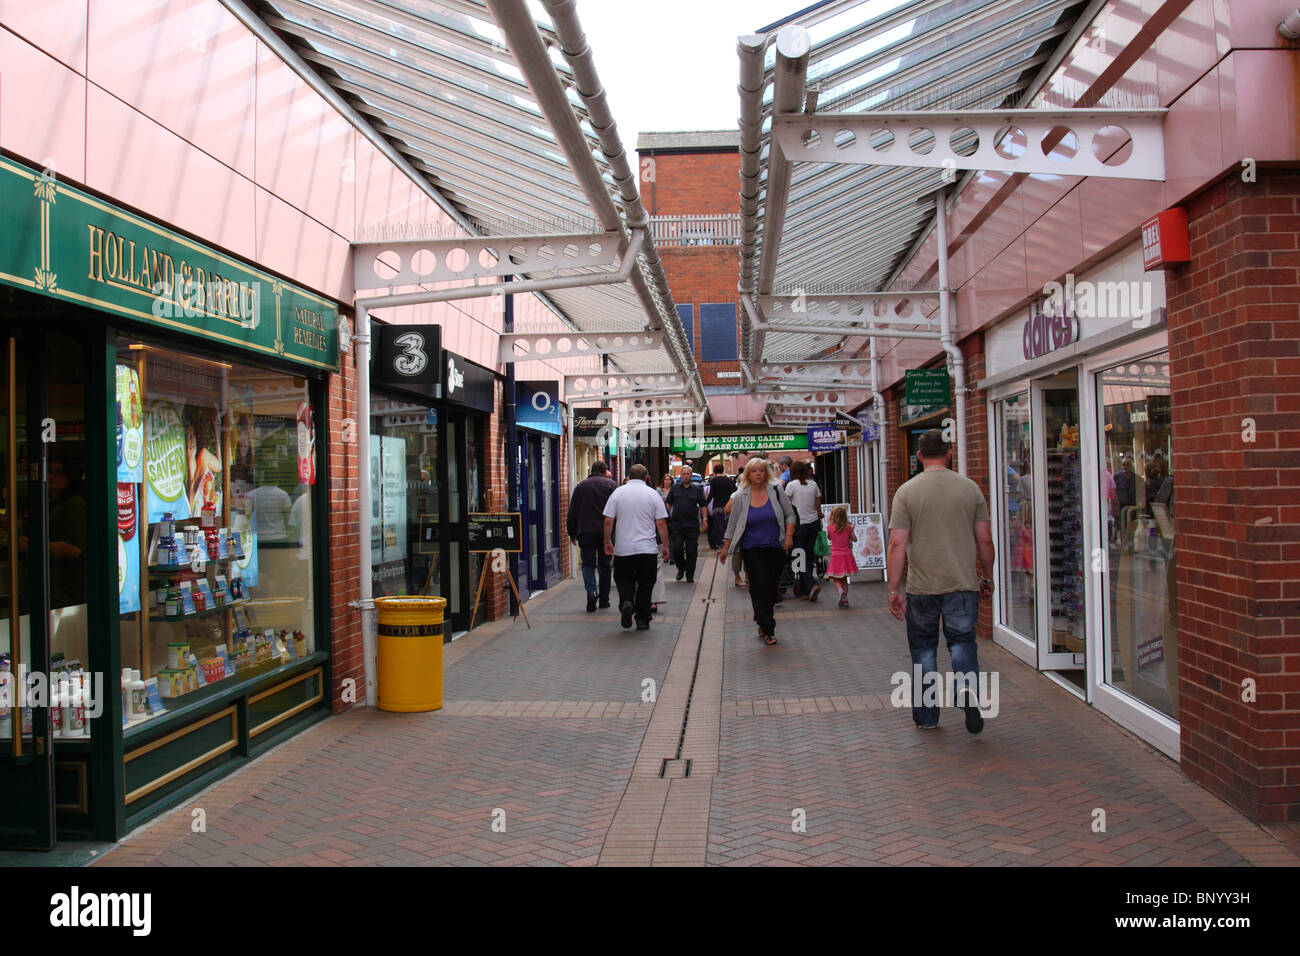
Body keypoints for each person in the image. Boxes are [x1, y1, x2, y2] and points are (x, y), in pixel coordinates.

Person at [887, 429, 995, 734]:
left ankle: (927, 716)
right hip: (962, 583)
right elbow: (985, 540)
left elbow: (897, 544)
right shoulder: (970, 489)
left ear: (919, 456)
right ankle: (966, 688)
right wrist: (987, 576)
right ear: (949, 453)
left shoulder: (906, 492)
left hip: (922, 586)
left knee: (923, 649)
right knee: (962, 641)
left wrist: (894, 589)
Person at [719, 458, 795, 646]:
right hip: (751, 548)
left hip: (775, 546)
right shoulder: (741, 496)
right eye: (754, 471)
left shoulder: (776, 491)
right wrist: (726, 547)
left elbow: (790, 514)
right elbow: (733, 523)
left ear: (766, 473)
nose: (758, 474)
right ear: (748, 475)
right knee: (760, 584)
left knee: (769, 587)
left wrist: (789, 537)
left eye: (761, 470)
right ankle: (768, 628)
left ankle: (762, 618)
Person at [603, 464, 669, 631]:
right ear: (646, 476)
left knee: (624, 579)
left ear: (629, 475)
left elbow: (608, 520)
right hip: (647, 549)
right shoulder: (653, 494)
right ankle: (642, 618)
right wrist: (666, 545)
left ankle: (627, 602)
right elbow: (661, 522)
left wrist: (607, 542)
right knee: (646, 584)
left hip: (623, 549)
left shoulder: (618, 493)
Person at [567, 460, 617, 612]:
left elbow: (573, 511)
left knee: (588, 565)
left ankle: (591, 592)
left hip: (585, 532)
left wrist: (571, 532)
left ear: (592, 471)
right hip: (605, 533)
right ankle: (604, 600)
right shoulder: (611, 486)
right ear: (604, 471)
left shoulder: (581, 487)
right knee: (605, 565)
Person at [785, 460, 822, 601]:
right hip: (813, 523)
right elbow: (818, 501)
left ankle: (812, 585)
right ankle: (805, 590)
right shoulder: (813, 484)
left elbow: (785, 504)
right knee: (809, 556)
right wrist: (818, 512)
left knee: (799, 558)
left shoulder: (791, 485)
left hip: (799, 525)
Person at [664, 464, 708, 583]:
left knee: (691, 550)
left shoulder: (697, 489)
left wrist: (704, 519)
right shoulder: (675, 488)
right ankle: (681, 568)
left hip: (692, 525)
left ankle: (690, 574)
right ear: (681, 475)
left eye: (688, 474)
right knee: (677, 549)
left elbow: (703, 505)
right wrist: (664, 517)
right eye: (684, 474)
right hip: (677, 525)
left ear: (691, 475)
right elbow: (668, 504)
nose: (686, 476)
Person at [824, 505, 857, 607]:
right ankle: (845, 599)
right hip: (847, 555)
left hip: (836, 556)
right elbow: (855, 539)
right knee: (844, 579)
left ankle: (840, 591)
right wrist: (852, 530)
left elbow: (829, 538)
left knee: (836, 578)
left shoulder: (830, 528)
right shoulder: (848, 527)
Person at [704, 462, 735, 551]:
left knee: (718, 526)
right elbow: (734, 491)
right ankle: (728, 543)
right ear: (723, 470)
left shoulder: (714, 481)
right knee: (727, 525)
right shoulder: (728, 480)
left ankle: (722, 544)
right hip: (728, 506)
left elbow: (711, 494)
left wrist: (705, 504)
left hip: (717, 506)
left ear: (714, 471)